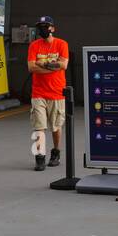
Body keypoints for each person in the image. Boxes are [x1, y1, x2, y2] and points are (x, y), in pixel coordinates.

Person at [26, 15, 69, 171]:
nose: (43, 29)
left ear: (53, 28)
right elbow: (31, 68)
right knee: (39, 126)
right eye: (40, 26)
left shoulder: (61, 44)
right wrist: (51, 66)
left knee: (56, 127)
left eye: (46, 26)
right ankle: (40, 156)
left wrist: (41, 63)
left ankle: (56, 152)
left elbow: (63, 65)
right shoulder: (34, 46)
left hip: (57, 92)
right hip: (38, 93)